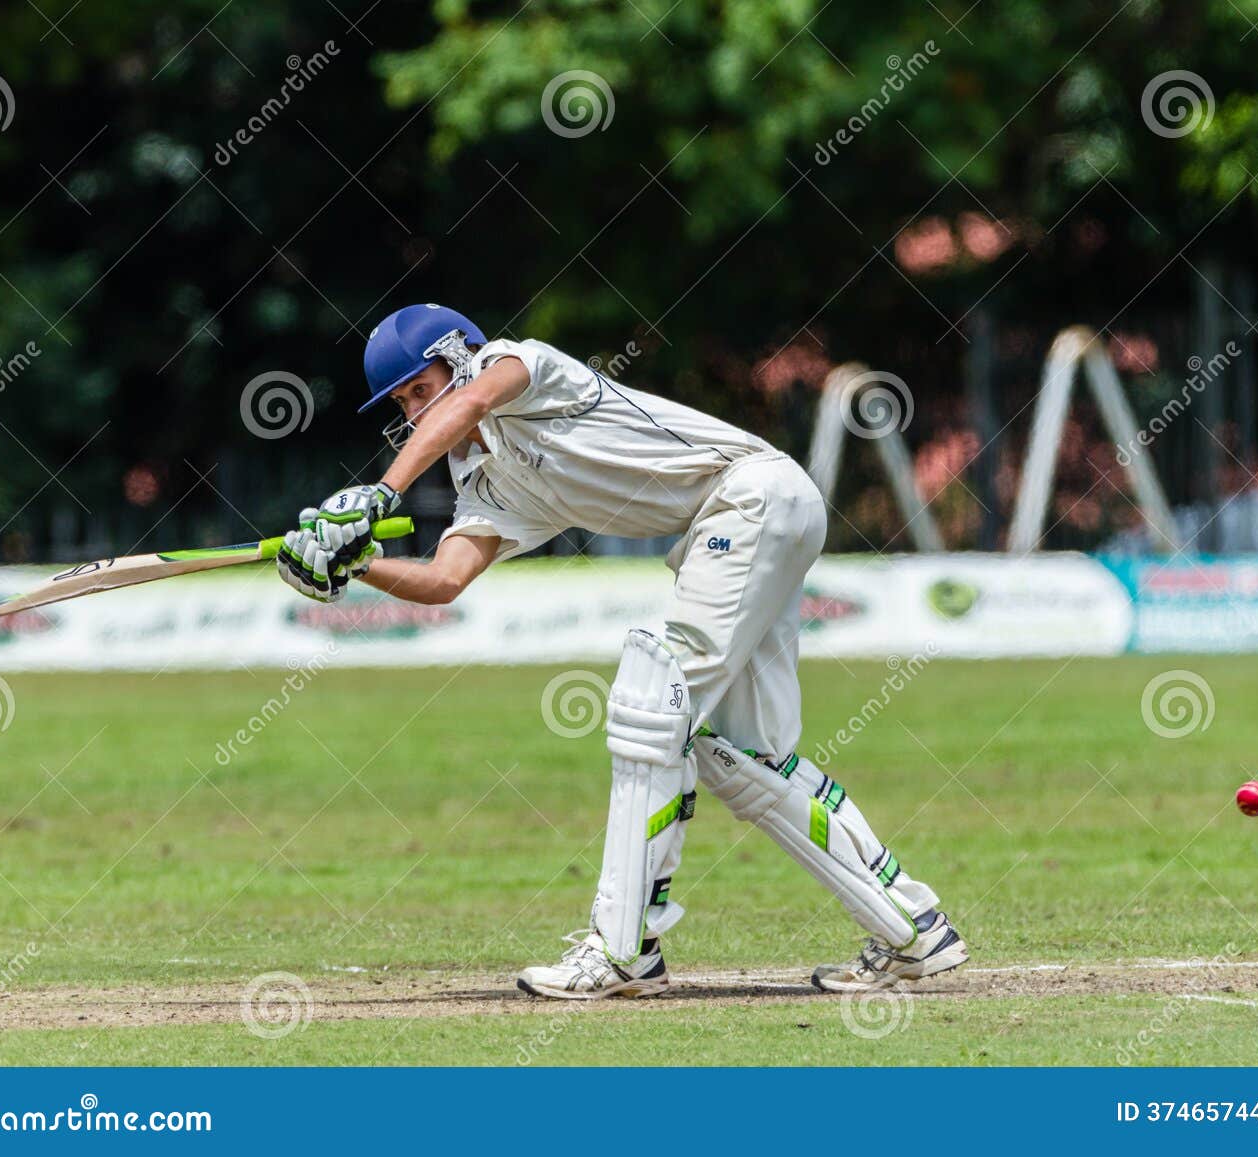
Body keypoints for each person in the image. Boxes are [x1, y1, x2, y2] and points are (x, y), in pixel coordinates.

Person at [277, 303, 967, 998]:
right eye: (402, 403)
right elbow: (444, 579)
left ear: (458, 358)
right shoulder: (488, 480)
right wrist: (353, 566)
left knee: (651, 696)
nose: (414, 411)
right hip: (751, 518)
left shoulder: (520, 367)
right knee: (741, 756)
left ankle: (622, 949)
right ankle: (914, 927)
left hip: (751, 499)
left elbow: (477, 398)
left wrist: (380, 492)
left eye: (419, 390)